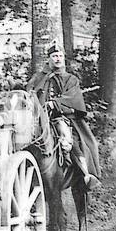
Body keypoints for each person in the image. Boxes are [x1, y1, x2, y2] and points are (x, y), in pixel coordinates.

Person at [27, 44, 102, 192]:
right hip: (39, 118)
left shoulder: (71, 79)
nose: (58, 59)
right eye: (54, 56)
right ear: (48, 59)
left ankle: (85, 174)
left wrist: (54, 104)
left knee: (67, 135)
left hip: (61, 117)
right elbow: (30, 93)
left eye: (60, 56)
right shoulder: (38, 77)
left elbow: (72, 98)